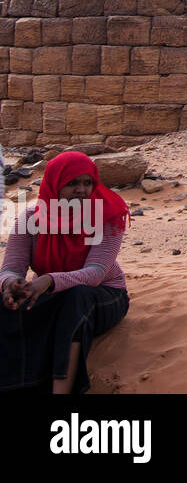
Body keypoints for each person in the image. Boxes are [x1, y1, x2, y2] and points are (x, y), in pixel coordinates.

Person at [0, 152, 130, 393]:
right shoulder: (30, 219)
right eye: (72, 183)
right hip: (52, 294)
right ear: (54, 184)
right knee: (7, 303)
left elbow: (95, 273)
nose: (81, 190)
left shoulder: (107, 217)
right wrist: (10, 284)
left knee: (76, 298)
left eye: (87, 182)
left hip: (103, 295)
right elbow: (10, 267)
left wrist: (49, 280)